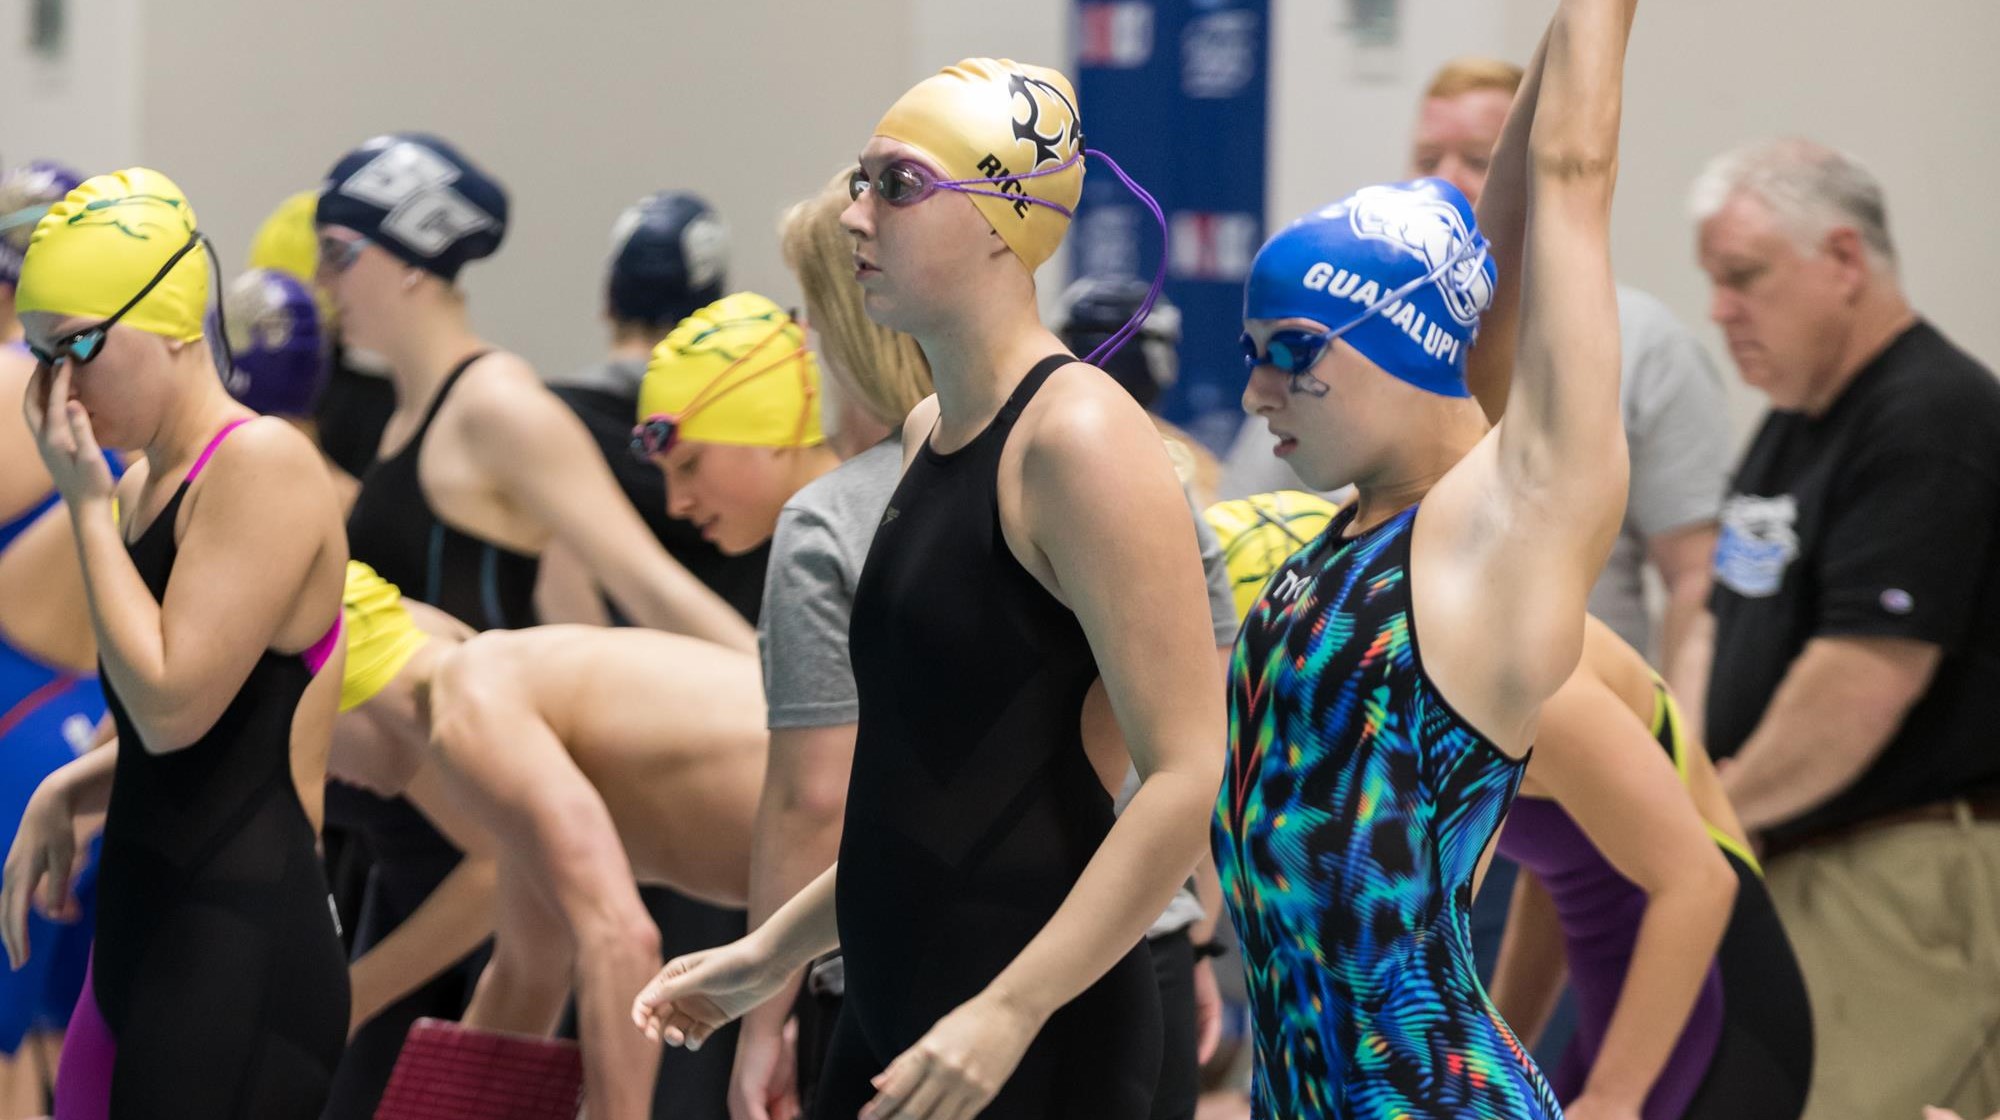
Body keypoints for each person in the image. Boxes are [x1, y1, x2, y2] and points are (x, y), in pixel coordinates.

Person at [635, 59, 1227, 1120]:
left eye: (897, 186)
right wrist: (766, 954)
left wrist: (1009, 1010)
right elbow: (932, 790)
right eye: (860, 181)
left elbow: (1184, 773)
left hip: (1032, 1034)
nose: (856, 217)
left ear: (1007, 220)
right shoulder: (928, 436)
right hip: (901, 1000)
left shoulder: (1077, 439)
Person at [1214, 0, 1634, 1111]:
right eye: (1249, 354)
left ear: (1398, 340)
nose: (1256, 392)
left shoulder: (1502, 540)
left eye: (1290, 353)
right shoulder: (1348, 540)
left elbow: (1570, 178)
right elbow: (1486, 252)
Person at [312, 131, 753, 1117]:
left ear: (414, 255)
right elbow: (566, 609)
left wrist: (797, 701)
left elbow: (639, 583)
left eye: (339, 251)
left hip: (482, 804)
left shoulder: (499, 406)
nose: (321, 280)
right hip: (425, 812)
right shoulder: (399, 418)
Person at [1222, 55, 1727, 717]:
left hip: (1531, 716)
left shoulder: (1637, 346)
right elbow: (1237, 523)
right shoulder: (1346, 353)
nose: (1446, 181)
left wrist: (1692, 752)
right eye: (1427, 156)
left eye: (1478, 159)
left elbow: (1697, 579)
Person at [6, 167, 349, 1117]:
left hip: (239, 959)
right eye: (41, 355)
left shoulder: (263, 466)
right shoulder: (138, 487)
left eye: (79, 345)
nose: (58, 388)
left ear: (172, 323)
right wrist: (66, 786)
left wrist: (78, 505)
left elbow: (171, 710)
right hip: (139, 941)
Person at [1692, 137, 2000, 1120]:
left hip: (1893, 877)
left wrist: (1697, 819)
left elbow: (1860, 682)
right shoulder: (1794, 415)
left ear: (1841, 260)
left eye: (1742, 277)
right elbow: (1715, 623)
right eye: (1711, 281)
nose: (1718, 310)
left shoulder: (1930, 415)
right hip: (1782, 849)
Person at [543, 190, 770, 625]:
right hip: (740, 666)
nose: (677, 503)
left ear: (608, 305)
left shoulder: (546, 423)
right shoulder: (758, 437)